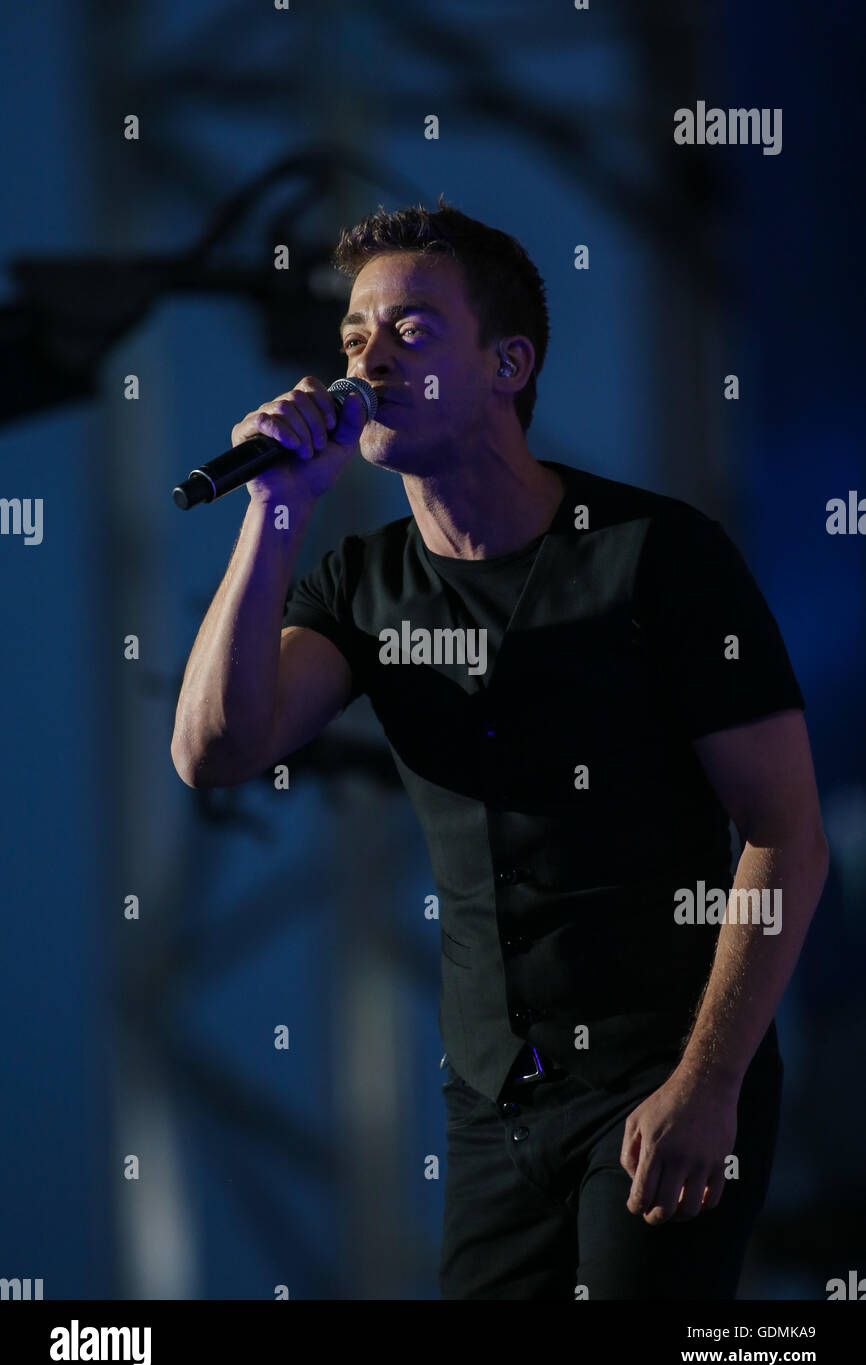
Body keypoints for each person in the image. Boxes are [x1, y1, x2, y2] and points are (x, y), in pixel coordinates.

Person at [170, 199, 829, 1300]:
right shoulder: (359, 584)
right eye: (350, 339)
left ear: (505, 363)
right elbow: (217, 752)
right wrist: (274, 513)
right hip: (491, 1105)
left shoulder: (655, 556)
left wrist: (707, 1082)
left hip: (660, 1075)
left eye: (410, 331)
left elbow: (785, 834)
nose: (365, 360)